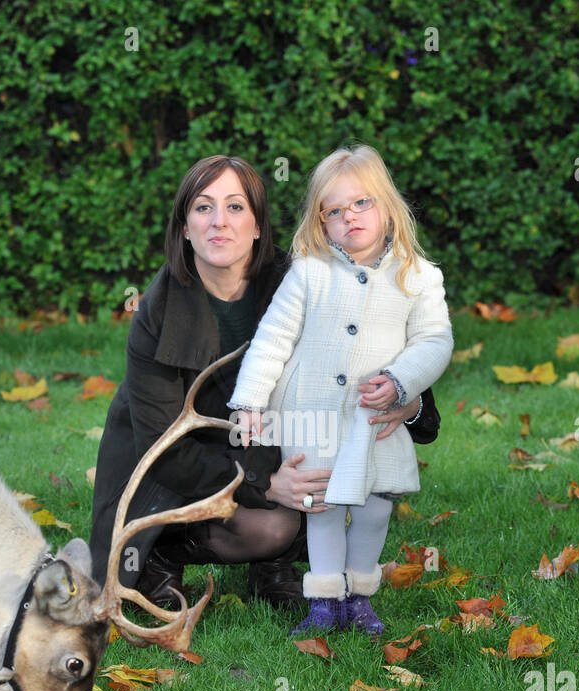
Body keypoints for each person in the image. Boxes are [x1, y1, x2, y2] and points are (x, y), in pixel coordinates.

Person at [89, 155, 439, 610]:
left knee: (328, 471)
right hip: (172, 465)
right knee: (271, 523)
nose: (219, 223)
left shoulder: (307, 280)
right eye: (202, 208)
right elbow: (166, 452)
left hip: (267, 444)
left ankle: (275, 565)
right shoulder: (155, 313)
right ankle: (162, 554)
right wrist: (266, 485)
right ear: (184, 227)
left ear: (257, 226)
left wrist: (407, 404)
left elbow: (382, 351)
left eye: (235, 207)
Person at [228, 145, 453, 635]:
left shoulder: (418, 276)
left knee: (375, 507)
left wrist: (400, 382)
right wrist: (249, 401)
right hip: (312, 416)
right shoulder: (308, 274)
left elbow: (435, 342)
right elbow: (272, 339)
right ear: (320, 222)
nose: (348, 217)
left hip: (376, 418)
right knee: (322, 507)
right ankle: (325, 600)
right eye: (334, 211)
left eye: (361, 203)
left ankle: (361, 597)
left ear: (388, 206)